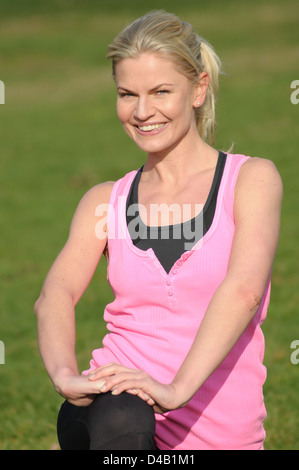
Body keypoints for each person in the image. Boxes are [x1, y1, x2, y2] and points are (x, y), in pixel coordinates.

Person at [34, 10, 283, 450]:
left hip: (221, 433)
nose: (142, 111)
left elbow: (244, 289)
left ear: (198, 89)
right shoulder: (104, 201)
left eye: (161, 91)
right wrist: (63, 374)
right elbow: (56, 292)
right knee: (120, 414)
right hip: (117, 417)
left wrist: (175, 391)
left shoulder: (250, 180)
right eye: (127, 94)